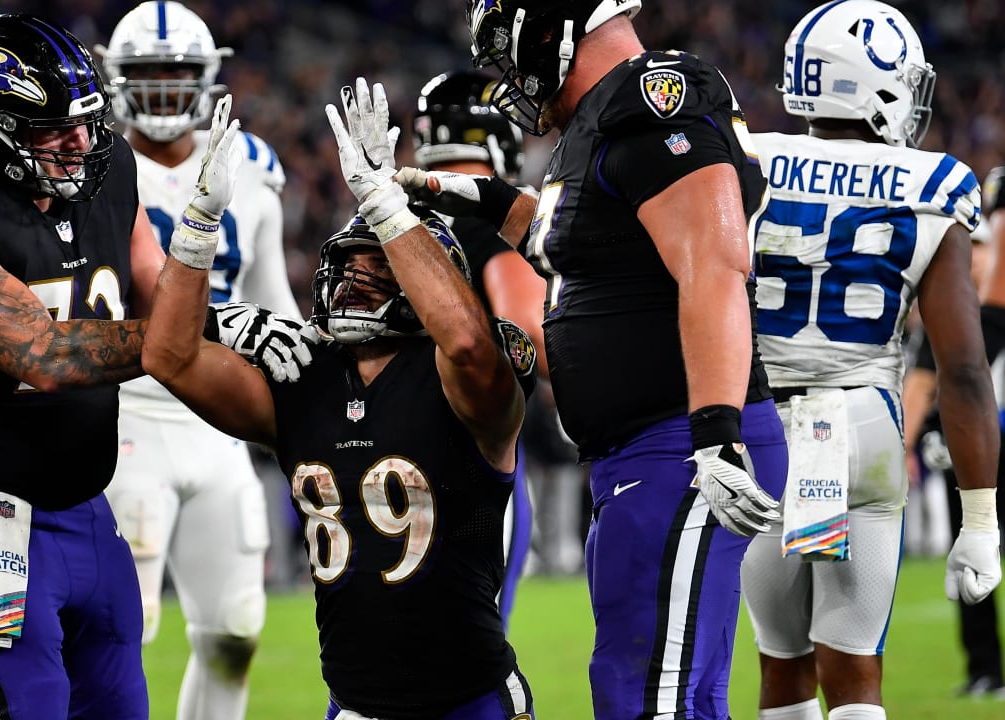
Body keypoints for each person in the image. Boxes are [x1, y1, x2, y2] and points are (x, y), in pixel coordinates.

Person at [0, 14, 314, 719]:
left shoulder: (108, 172)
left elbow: (160, 302)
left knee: (118, 705)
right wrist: (213, 321)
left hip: (83, 497)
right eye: (51, 127)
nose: (78, 142)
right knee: (32, 705)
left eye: (83, 121)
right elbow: (44, 355)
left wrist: (199, 232)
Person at [397, 2, 787, 717]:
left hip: (681, 440)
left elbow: (714, 263)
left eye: (507, 49)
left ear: (551, 29)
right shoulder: (601, 120)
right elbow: (570, 243)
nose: (507, 72)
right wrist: (459, 194)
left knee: (649, 697)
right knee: (666, 691)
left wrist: (716, 431)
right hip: (643, 448)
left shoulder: (652, 98)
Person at [144, 82, 537, 718]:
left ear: (430, 276)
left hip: (468, 700)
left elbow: (465, 342)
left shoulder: (464, 375)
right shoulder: (305, 376)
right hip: (352, 704)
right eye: (348, 265)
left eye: (378, 267)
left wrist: (385, 203)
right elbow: (169, 356)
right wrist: (199, 225)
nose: (352, 281)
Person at [738, 2, 1002, 718]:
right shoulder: (934, 182)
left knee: (781, 668)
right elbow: (966, 368)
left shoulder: (744, 158)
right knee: (855, 676)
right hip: (860, 426)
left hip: (761, 427)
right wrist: (980, 519)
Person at [99, 4, 296, 715]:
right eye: (146, 73)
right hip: (126, 413)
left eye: (175, 70)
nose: (160, 88)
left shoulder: (252, 166)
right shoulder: (91, 167)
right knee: (124, 628)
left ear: (207, 74)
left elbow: (274, 303)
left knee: (235, 633)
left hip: (219, 419)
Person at [411, 68, 549, 624]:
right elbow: (530, 331)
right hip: (468, 461)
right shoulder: (491, 223)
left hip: (373, 450)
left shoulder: (381, 217)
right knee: (468, 653)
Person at [903, 161, 1005, 701]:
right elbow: (921, 381)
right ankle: (985, 668)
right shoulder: (949, 313)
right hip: (968, 448)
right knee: (970, 558)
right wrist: (903, 447)